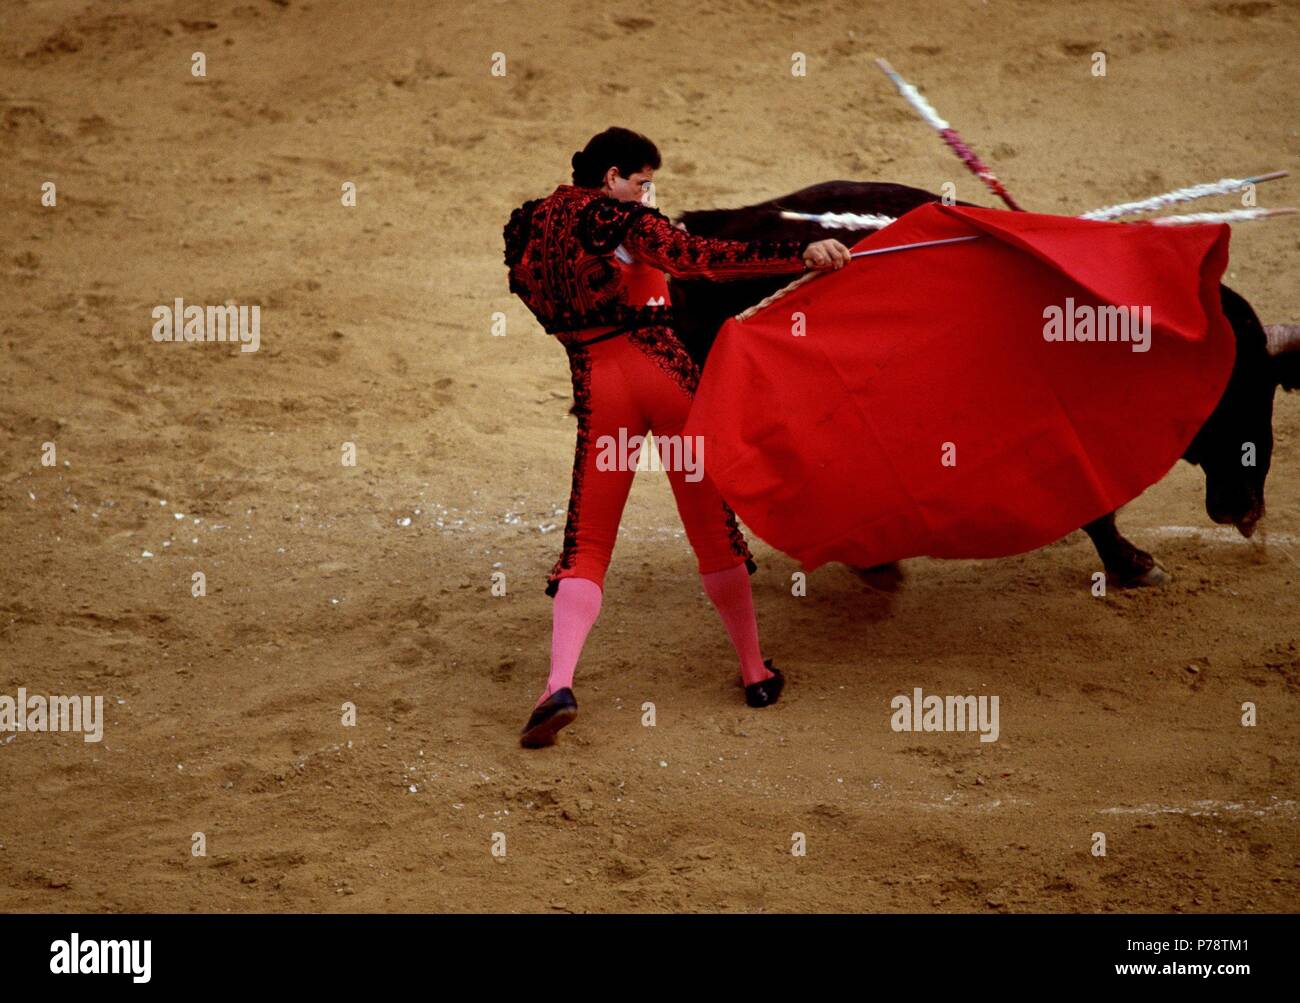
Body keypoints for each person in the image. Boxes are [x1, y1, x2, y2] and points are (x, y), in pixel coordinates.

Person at [503, 126, 850, 747]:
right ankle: (753, 671)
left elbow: (541, 304)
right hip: (664, 379)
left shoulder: (527, 230)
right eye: (641, 181)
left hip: (598, 387)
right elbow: (699, 259)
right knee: (710, 526)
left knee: (587, 542)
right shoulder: (622, 219)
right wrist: (800, 255)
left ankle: (557, 682)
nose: (647, 193)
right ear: (611, 177)